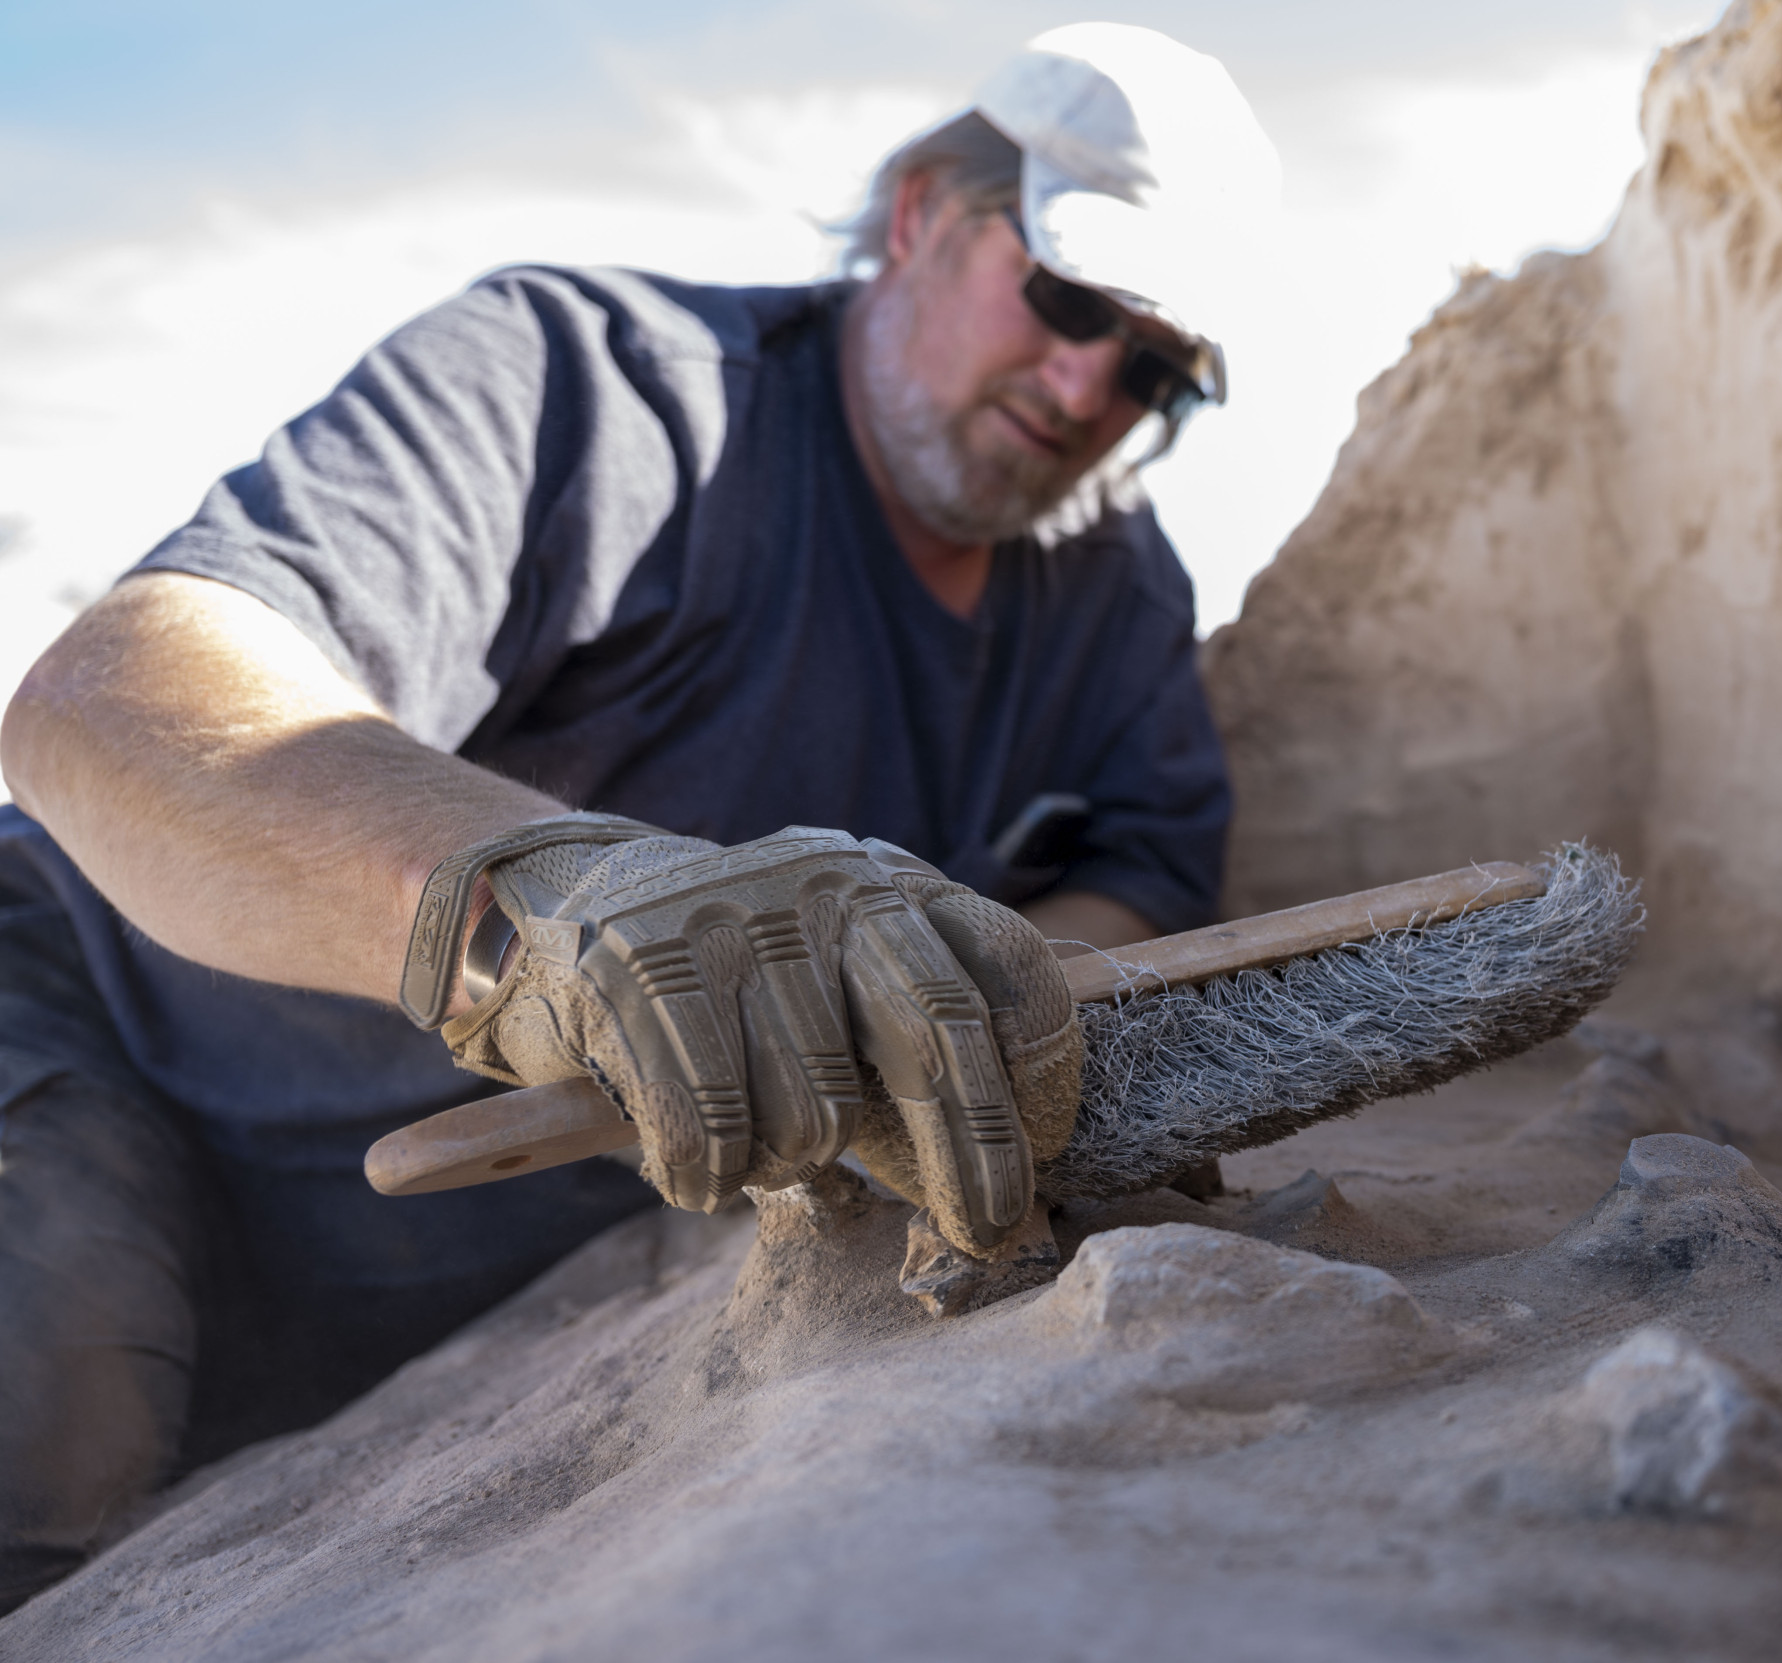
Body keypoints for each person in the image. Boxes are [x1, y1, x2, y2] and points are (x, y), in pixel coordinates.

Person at [0, 23, 1278, 1612]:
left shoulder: (1112, 593)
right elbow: (103, 699)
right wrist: (568, 902)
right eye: (1075, 298)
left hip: (438, 1275)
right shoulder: (591, 390)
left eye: (1157, 369)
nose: (1094, 386)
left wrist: (978, 994)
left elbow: (1145, 867)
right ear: (921, 217)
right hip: (98, 1056)